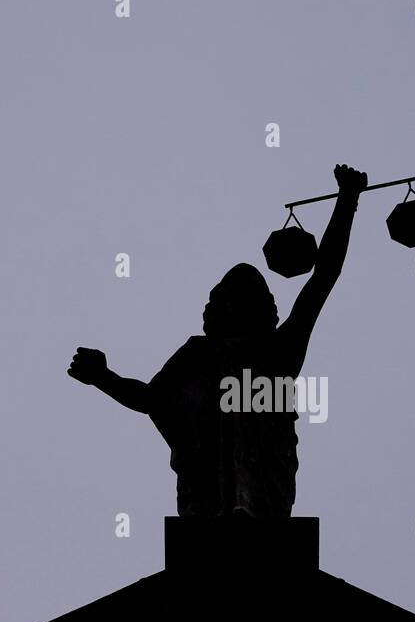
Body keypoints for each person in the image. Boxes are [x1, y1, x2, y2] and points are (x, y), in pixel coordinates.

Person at [69, 163, 367, 516]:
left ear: (264, 311)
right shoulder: (198, 353)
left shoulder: (278, 349)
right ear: (217, 311)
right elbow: (152, 398)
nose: (237, 305)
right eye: (230, 298)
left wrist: (348, 200)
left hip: (266, 475)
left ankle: (247, 512)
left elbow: (324, 276)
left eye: (247, 297)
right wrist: (103, 377)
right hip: (206, 476)